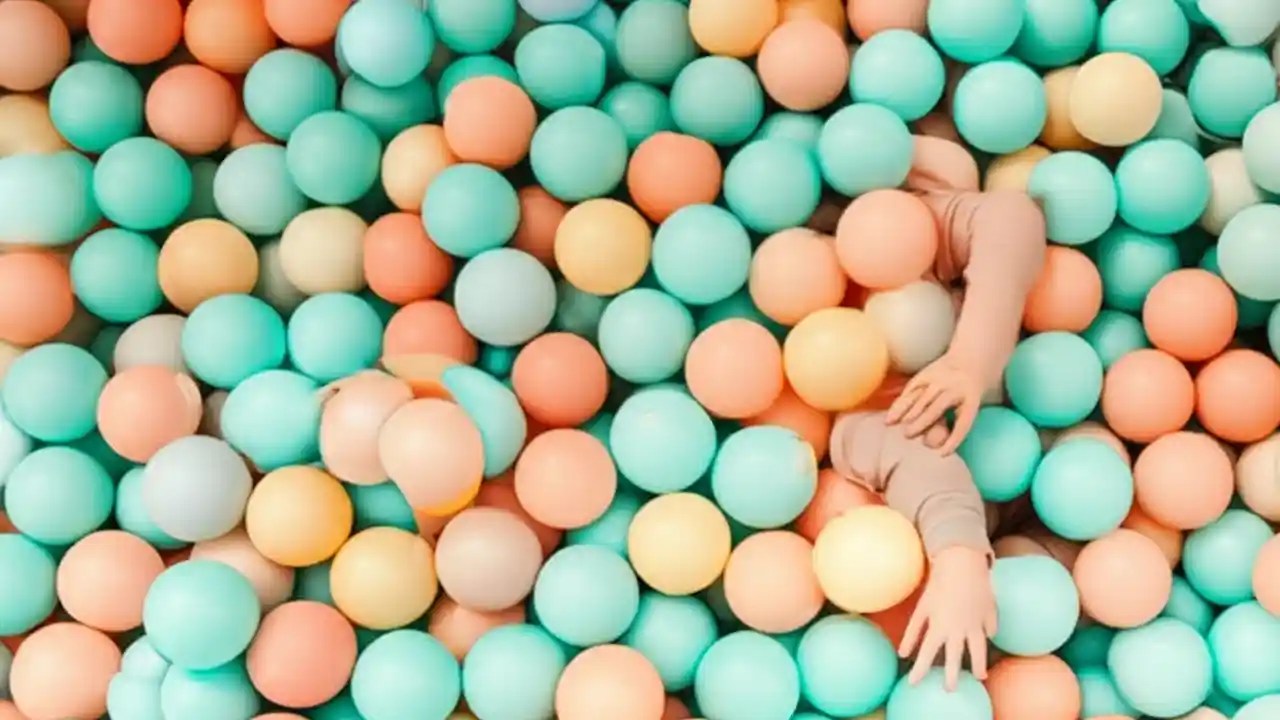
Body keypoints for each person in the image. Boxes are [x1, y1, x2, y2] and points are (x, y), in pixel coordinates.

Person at [821, 134, 1048, 691]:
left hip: (1040, 476)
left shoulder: (915, 238)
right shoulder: (856, 411)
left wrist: (972, 359)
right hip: (970, 546)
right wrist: (959, 556)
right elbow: (910, 453)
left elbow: (1011, 218)